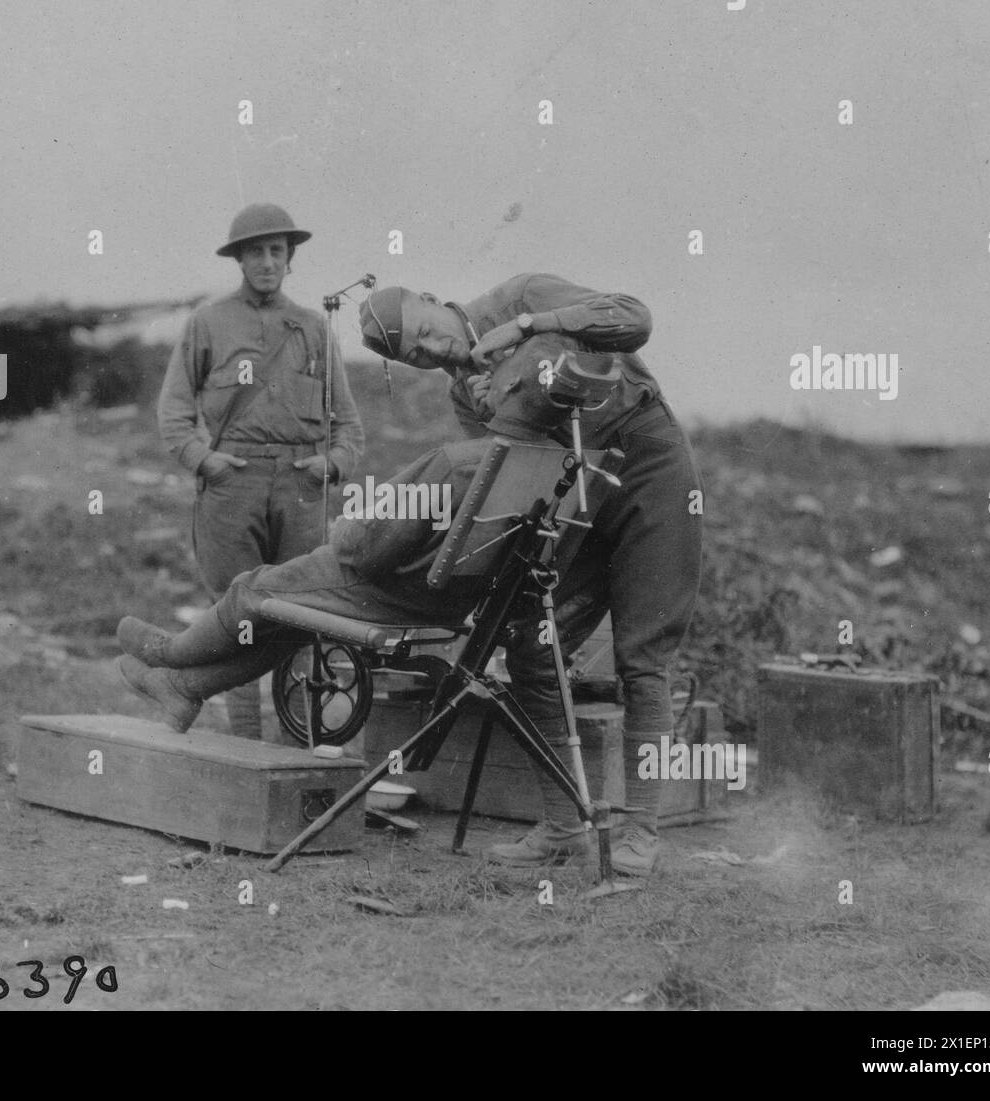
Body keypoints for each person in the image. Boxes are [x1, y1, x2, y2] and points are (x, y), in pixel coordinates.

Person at [359, 274, 703, 879]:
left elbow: (633, 314)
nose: (434, 352)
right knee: (533, 648)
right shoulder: (465, 396)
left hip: (648, 464)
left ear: (434, 301)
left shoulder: (524, 297)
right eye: (416, 355)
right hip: (579, 491)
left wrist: (530, 328)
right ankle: (565, 827)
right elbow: (516, 473)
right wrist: (504, 415)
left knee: (643, 660)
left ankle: (640, 833)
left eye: (427, 333)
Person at [117, 334, 614, 737]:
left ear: (508, 390)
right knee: (294, 620)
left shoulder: (458, 464)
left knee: (253, 590)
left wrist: (347, 527)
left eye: (499, 372)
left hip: (384, 590)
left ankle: (170, 656)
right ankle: (184, 688)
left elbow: (365, 552)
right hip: (450, 603)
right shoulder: (566, 466)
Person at [156, 203, 364, 740]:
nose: (267, 261)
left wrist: (333, 465)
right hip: (234, 485)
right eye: (256, 252)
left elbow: (349, 425)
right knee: (235, 621)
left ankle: (304, 746)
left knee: (307, 616)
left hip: (301, 487)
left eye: (276, 251)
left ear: (289, 259)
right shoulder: (208, 322)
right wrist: (205, 461)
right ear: (240, 259)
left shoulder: (316, 328)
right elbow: (174, 411)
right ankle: (243, 748)